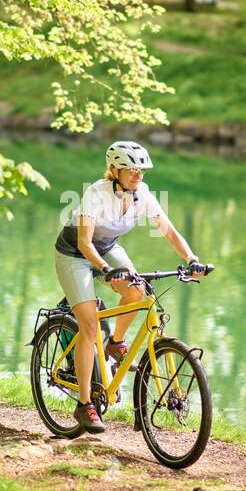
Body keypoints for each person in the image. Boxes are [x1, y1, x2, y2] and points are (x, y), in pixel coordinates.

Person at [53, 140, 207, 433]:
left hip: (107, 247)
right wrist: (106, 270)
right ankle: (84, 404)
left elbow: (169, 231)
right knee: (88, 328)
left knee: (139, 291)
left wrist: (191, 258)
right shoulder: (96, 193)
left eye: (142, 170)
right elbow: (84, 242)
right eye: (131, 169)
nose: (138, 175)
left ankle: (114, 344)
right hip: (75, 254)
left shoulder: (144, 195)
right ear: (114, 170)